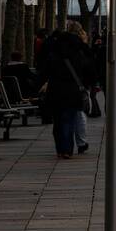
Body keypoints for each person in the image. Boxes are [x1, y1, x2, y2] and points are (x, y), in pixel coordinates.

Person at [34, 27, 97, 159]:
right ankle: (67, 149)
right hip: (73, 92)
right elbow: (88, 70)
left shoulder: (53, 56)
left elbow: (43, 73)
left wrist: (36, 88)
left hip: (55, 92)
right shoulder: (78, 55)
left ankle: (60, 148)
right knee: (69, 120)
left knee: (58, 122)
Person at [66, 21, 96, 153]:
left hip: (64, 84)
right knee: (80, 114)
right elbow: (89, 65)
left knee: (65, 116)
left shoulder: (62, 45)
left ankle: (65, 145)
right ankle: (81, 142)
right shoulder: (81, 48)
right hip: (80, 85)